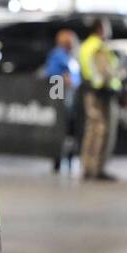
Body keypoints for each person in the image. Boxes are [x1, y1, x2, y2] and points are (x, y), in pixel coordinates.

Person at [78, 18, 122, 181]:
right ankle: (96, 168)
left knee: (91, 129)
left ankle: (87, 167)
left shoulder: (86, 46)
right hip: (101, 93)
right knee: (99, 130)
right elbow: (105, 73)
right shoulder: (98, 47)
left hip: (90, 91)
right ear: (100, 28)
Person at [43, 28, 81, 172]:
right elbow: (52, 75)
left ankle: (71, 158)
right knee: (60, 126)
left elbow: (76, 76)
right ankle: (57, 160)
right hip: (60, 95)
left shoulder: (71, 56)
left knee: (71, 129)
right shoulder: (57, 55)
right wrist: (63, 81)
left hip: (71, 96)